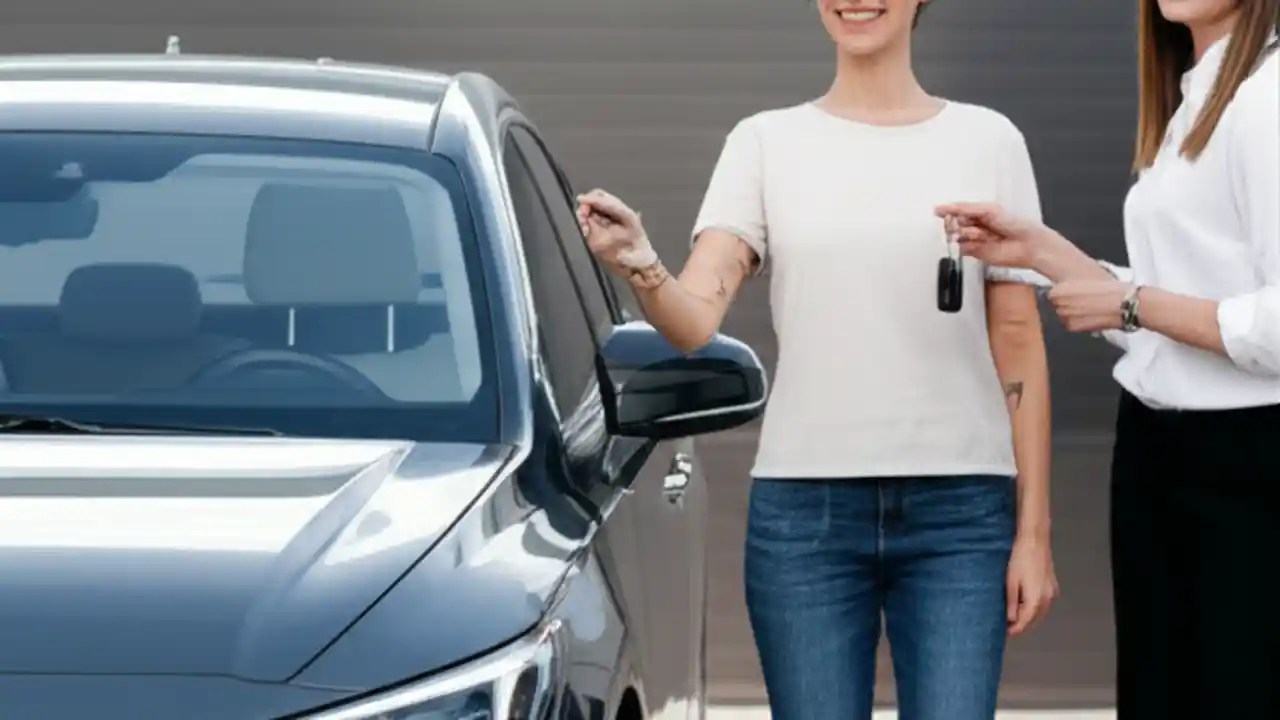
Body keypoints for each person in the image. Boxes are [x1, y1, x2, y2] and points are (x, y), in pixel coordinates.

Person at [575, 1, 1059, 717]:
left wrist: (1034, 533)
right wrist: (640, 262)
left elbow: (1018, 338)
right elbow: (694, 319)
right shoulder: (765, 143)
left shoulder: (987, 140)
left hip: (960, 514)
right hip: (806, 519)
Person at [936, 0, 1279, 717]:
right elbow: (1182, 306)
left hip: (1247, 470)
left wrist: (1132, 305)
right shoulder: (1197, 97)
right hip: (1162, 456)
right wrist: (1039, 252)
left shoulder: (1267, 98)